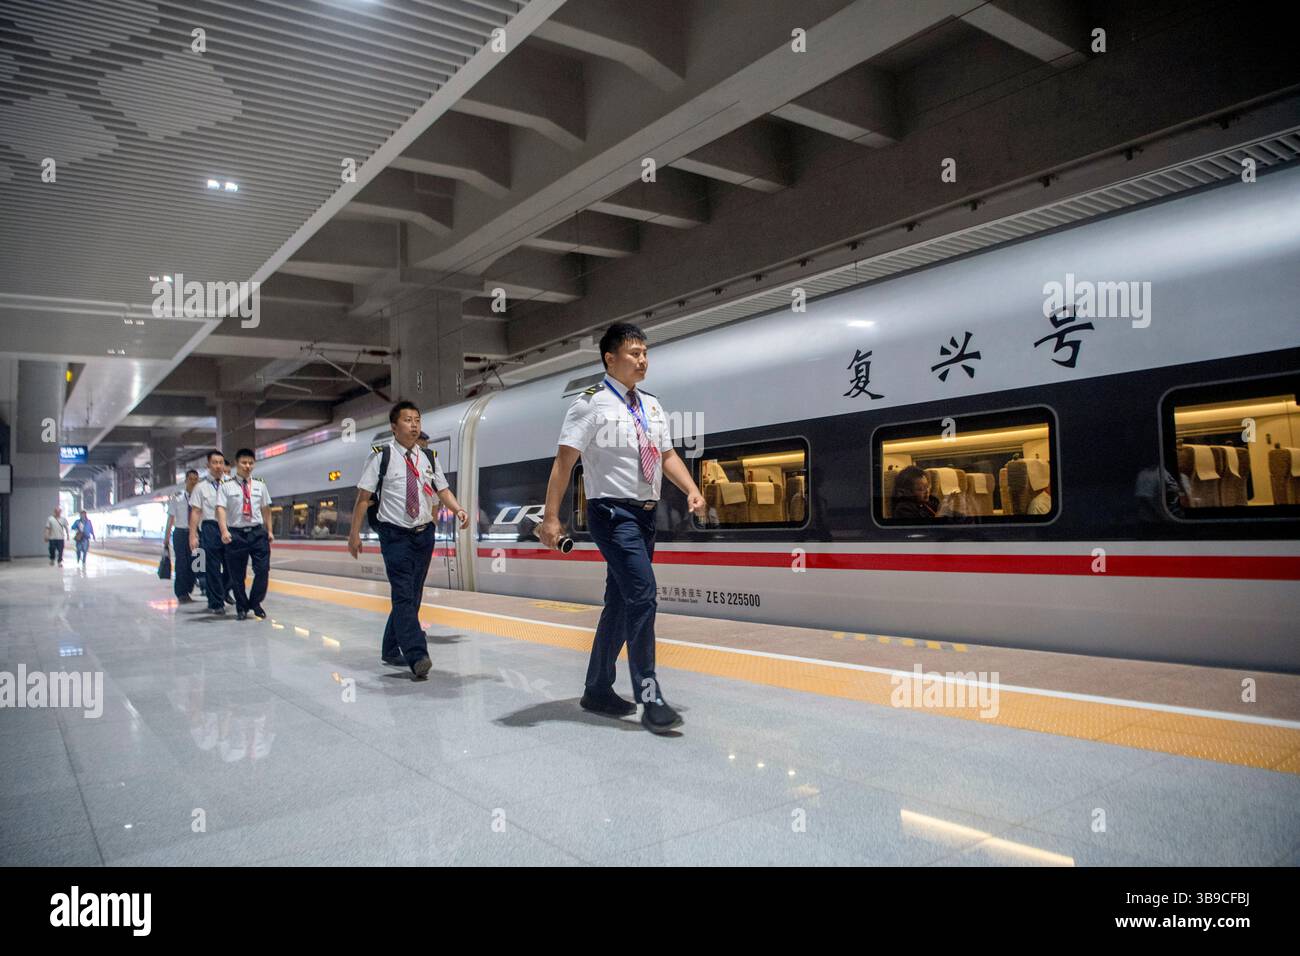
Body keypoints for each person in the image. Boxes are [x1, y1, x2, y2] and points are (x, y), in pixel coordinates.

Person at [538, 322, 706, 734]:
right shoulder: (589, 404)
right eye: (634, 353)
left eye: (645, 352)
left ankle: (597, 688)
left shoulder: (650, 406)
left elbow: (666, 455)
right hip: (611, 514)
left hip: (646, 515)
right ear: (610, 359)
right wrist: (551, 517)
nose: (642, 359)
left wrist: (691, 489)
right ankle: (649, 696)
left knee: (621, 602)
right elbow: (564, 462)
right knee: (644, 596)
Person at [346, 401, 470, 679]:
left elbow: (442, 489)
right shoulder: (381, 457)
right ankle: (417, 655)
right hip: (395, 536)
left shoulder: (429, 457)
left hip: (423, 534)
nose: (414, 425)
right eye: (408, 420)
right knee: (403, 594)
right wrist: (354, 535)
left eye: (417, 420)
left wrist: (458, 509)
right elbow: (363, 499)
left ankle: (390, 649)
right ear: (394, 427)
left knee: (412, 596)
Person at [217, 448, 274, 621]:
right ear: (236, 464)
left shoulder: (260, 485)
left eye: (251, 463)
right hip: (236, 534)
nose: (248, 466)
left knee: (263, 570)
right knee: (237, 575)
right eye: (244, 462)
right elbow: (221, 509)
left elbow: (266, 508)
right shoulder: (226, 487)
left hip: (257, 533)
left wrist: (269, 530)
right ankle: (241, 607)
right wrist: (224, 531)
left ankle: (255, 603)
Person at [189, 450, 235, 615]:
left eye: (221, 462)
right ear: (208, 465)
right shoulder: (200, 487)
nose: (218, 466)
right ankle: (216, 603)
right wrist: (193, 535)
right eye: (214, 462)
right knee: (212, 568)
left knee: (232, 567)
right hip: (210, 528)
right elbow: (195, 512)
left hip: (230, 527)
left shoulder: (233, 483)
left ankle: (221, 591)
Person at [165, 470, 201, 602]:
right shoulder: (177, 497)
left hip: (196, 533)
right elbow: (170, 519)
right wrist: (166, 539)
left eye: (196, 479)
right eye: (191, 479)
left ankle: (192, 587)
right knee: (182, 564)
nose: (193, 481)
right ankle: (181, 593)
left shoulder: (200, 497)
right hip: (181, 533)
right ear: (186, 480)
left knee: (196, 563)